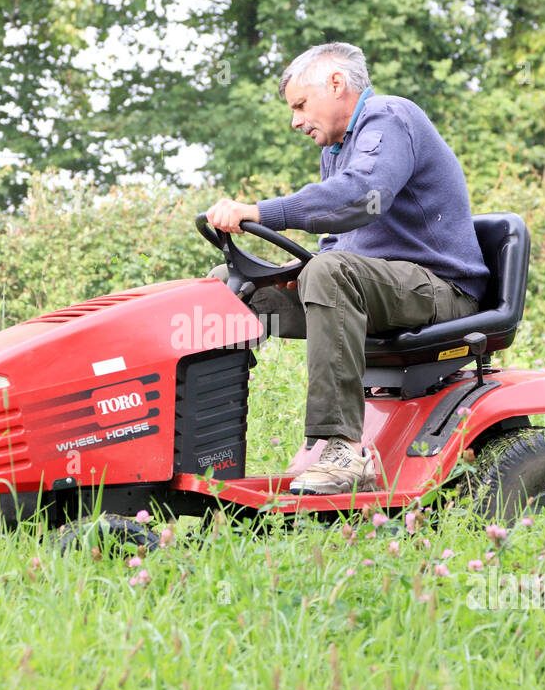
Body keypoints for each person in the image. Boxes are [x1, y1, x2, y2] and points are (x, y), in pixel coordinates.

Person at [205, 42, 488, 495]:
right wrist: (277, 275)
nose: (295, 120)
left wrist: (261, 210)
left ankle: (341, 449)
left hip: (438, 289)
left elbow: (360, 197)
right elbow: (336, 238)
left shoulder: (390, 117)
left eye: (300, 105)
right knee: (229, 292)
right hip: (377, 289)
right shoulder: (337, 148)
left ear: (336, 84)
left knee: (329, 273)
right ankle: (205, 454)